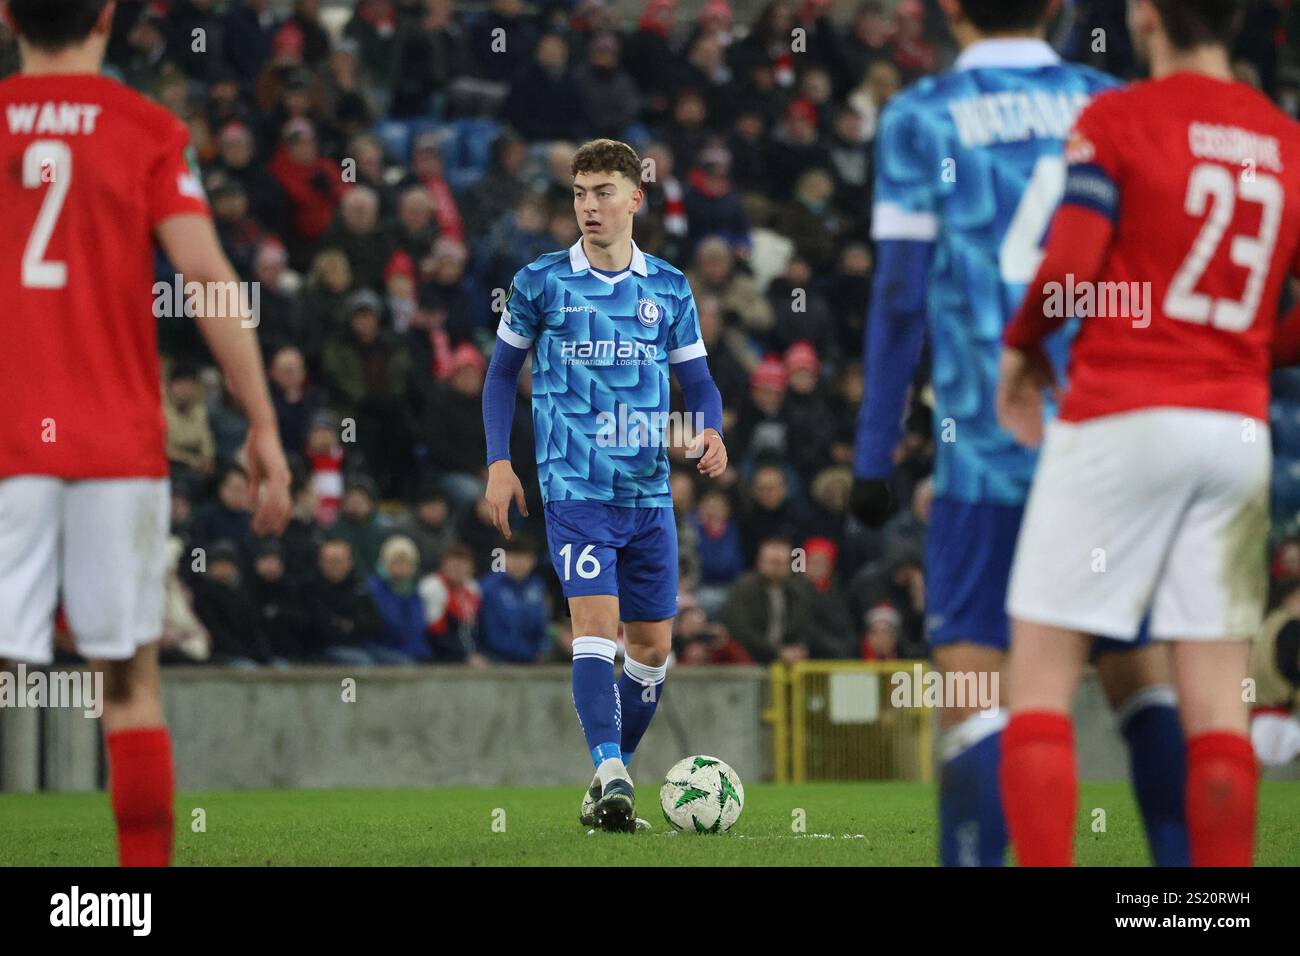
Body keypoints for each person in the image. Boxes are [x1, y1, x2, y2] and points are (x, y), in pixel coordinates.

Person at [852, 0, 1189, 867]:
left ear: (950, 9)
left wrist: (873, 450)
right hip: (1108, 441)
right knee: (1139, 673)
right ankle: (1187, 896)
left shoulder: (920, 117)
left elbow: (896, 297)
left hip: (989, 457)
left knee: (976, 686)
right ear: (1057, 8)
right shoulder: (1108, 105)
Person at [996, 0, 1300, 867]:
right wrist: (1256, 351)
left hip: (1121, 417)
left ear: (1147, 17)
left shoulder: (1119, 116)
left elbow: (1070, 266)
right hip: (1237, 434)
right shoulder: (1286, 140)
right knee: (1216, 702)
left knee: (1043, 680)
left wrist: (1021, 350)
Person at [0, 0, 290, 867]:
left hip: (7, 440)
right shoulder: (145, 126)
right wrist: (263, 422)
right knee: (127, 684)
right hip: (115, 445)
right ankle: (139, 906)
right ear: (108, 17)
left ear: (9, 14)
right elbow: (205, 275)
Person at [482, 138, 727, 832]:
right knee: (593, 627)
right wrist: (500, 461)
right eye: (579, 193)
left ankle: (605, 785)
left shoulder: (669, 287)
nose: (589, 206)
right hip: (574, 486)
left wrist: (708, 431)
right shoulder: (539, 282)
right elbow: (501, 377)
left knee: (651, 651)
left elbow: (700, 382)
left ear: (634, 197)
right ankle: (615, 772)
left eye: (602, 192)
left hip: (648, 495)